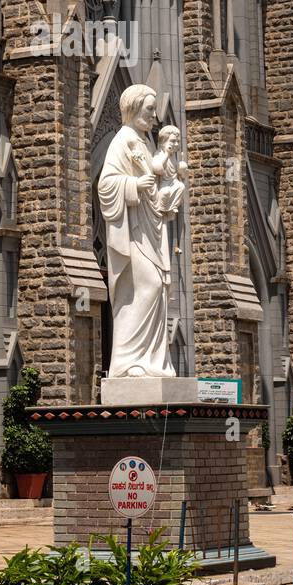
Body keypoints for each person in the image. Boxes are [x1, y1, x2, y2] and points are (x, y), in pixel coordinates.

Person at [97, 85, 187, 378]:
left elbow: (157, 177)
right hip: (133, 231)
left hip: (152, 227)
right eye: (149, 109)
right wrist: (134, 186)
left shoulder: (146, 142)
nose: (154, 115)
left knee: (159, 289)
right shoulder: (122, 141)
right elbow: (106, 184)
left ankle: (153, 362)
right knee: (145, 287)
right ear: (134, 108)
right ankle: (126, 361)